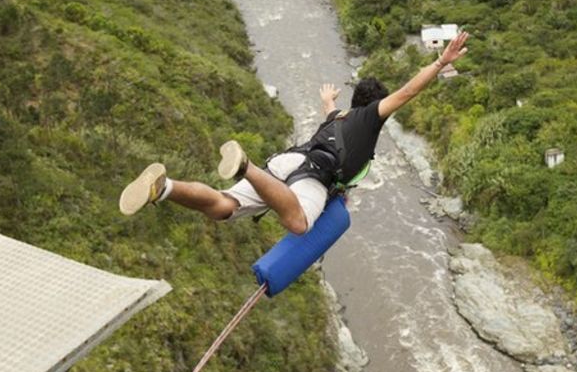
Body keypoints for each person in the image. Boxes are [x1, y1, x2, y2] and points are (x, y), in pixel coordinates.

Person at [119, 32, 469, 234]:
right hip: (312, 176)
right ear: (377, 104)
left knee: (223, 207)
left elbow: (330, 111)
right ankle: (245, 168)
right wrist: (439, 64)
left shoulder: (340, 116)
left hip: (287, 162)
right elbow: (408, 92)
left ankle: (163, 188)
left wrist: (328, 99)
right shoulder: (371, 117)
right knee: (299, 223)